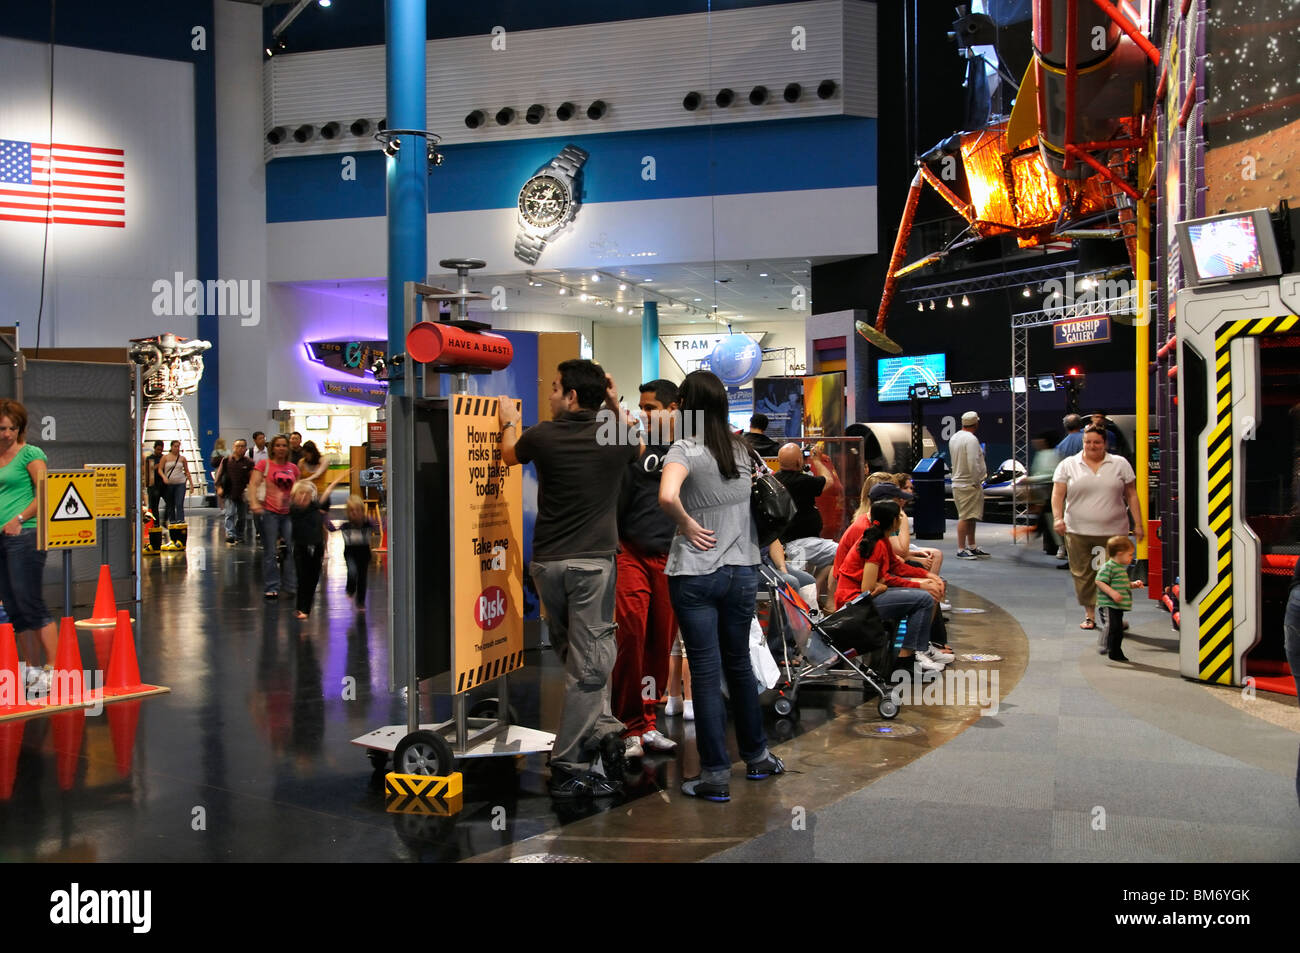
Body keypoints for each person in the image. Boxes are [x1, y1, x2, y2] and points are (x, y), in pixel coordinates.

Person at [498, 359, 639, 799]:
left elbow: (508, 455)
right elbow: (635, 442)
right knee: (589, 665)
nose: (552, 394)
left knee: (580, 657)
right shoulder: (613, 439)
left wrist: (509, 422)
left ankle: (601, 730)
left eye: (556, 388)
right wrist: (613, 399)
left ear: (572, 397)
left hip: (548, 567)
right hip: (592, 567)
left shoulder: (540, 434)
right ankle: (569, 762)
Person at [659, 370, 784, 802]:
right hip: (742, 571)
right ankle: (758, 757)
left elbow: (666, 495)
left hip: (696, 572)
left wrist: (688, 525)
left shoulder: (684, 449)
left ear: (686, 405)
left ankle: (714, 776)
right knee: (739, 666)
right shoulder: (742, 449)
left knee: (707, 673)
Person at [612, 379, 681, 758]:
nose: (644, 413)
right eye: (642, 407)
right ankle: (628, 725)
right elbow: (618, 499)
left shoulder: (690, 448)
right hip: (631, 553)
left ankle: (648, 722)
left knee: (659, 642)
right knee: (631, 636)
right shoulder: (633, 448)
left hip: (670, 558)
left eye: (651, 407)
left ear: (673, 410)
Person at [834, 499, 949, 672]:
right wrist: (919, 586)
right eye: (900, 516)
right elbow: (868, 588)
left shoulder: (881, 539)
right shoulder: (876, 545)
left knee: (925, 594)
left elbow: (896, 566)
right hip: (856, 604)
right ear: (895, 521)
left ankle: (915, 652)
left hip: (864, 597)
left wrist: (927, 575)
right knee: (924, 599)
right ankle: (907, 660)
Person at [1052, 425, 1145, 630]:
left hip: (1114, 532)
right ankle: (1090, 615)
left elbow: (1132, 494)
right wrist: (1058, 518)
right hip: (1077, 531)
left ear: (1105, 443)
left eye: (1096, 442)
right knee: (1083, 574)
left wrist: (1138, 524)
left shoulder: (1120, 464)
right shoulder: (1068, 465)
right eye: (1088, 442)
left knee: (1114, 574)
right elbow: (1058, 494)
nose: (1091, 446)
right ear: (1083, 442)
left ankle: (1115, 616)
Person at [0, 399, 57, 697]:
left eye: (12, 428)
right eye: (1, 428)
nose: (6, 434)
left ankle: (53, 668)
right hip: (1, 538)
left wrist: (19, 519)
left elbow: (46, 493)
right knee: (13, 606)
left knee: (30, 602)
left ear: (20, 428)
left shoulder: (30, 454)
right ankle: (31, 668)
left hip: (25, 535)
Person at [773, 443, 838, 596]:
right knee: (845, 553)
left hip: (787, 543)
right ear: (799, 462)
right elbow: (828, 481)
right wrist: (817, 461)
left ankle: (817, 587)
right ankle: (826, 599)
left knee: (805, 582)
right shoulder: (801, 481)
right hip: (802, 544)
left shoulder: (774, 480)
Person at [288, 474, 346, 619]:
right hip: (301, 547)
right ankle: (301, 607)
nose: (303, 497)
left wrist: (338, 480)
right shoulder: (292, 510)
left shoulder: (316, 508)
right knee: (302, 577)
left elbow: (326, 495)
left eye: (306, 495)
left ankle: (305, 608)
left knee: (313, 578)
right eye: (300, 494)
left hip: (316, 547)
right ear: (294, 496)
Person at [249, 434, 300, 600]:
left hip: (289, 514)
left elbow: (299, 489)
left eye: (284, 445)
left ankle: (291, 585)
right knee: (270, 551)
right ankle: (272, 586)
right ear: (273, 448)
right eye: (277, 445)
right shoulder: (264, 465)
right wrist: (254, 503)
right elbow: (253, 485)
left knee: (292, 550)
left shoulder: (293, 468)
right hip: (269, 512)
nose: (281, 448)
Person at [1095, 535, 1144, 662]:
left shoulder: (1120, 569)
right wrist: (1112, 593)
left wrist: (1134, 584)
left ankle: (1116, 651)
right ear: (1120, 554)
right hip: (1108, 603)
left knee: (1118, 630)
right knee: (1111, 625)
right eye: (1130, 554)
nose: (1131, 557)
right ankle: (1104, 644)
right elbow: (1099, 581)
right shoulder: (1109, 567)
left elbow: (1123, 584)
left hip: (1118, 605)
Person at [949, 411, 989, 559]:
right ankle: (961, 549)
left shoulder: (955, 437)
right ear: (976, 423)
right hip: (968, 484)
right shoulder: (971, 439)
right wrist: (977, 480)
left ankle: (971, 546)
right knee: (966, 516)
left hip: (960, 483)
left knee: (971, 516)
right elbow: (973, 462)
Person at [331, 494, 376, 611]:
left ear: (362, 511)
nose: (354, 513)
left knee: (362, 578)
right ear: (347, 512)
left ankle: (360, 602)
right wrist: (324, 519)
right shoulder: (346, 526)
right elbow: (332, 529)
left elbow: (377, 525)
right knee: (352, 571)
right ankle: (350, 589)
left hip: (364, 553)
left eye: (357, 510)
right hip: (350, 553)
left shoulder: (367, 524)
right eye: (351, 511)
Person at [216, 438, 255, 544]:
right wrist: (219, 487)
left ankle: (240, 535)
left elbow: (253, 478)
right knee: (230, 513)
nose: (240, 449)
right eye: (238, 446)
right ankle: (230, 534)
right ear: (234, 447)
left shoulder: (249, 462)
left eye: (243, 446)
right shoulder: (226, 461)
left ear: (246, 448)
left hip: (242, 493)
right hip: (229, 492)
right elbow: (219, 475)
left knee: (242, 517)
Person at [158, 440, 193, 545]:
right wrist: (164, 477)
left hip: (180, 483)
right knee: (170, 505)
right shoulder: (165, 458)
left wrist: (191, 484)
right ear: (171, 447)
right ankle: (172, 524)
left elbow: (187, 471)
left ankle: (180, 523)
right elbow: (160, 469)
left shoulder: (182, 459)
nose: (177, 448)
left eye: (178, 446)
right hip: (169, 484)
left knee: (179, 503)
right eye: (175, 446)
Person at [144, 440, 164, 523]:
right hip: (153, 486)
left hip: (162, 485)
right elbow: (149, 470)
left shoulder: (164, 458)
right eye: (158, 449)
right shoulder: (150, 458)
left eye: (161, 450)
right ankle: (155, 524)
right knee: (153, 506)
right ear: (154, 448)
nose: (159, 451)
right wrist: (159, 465)